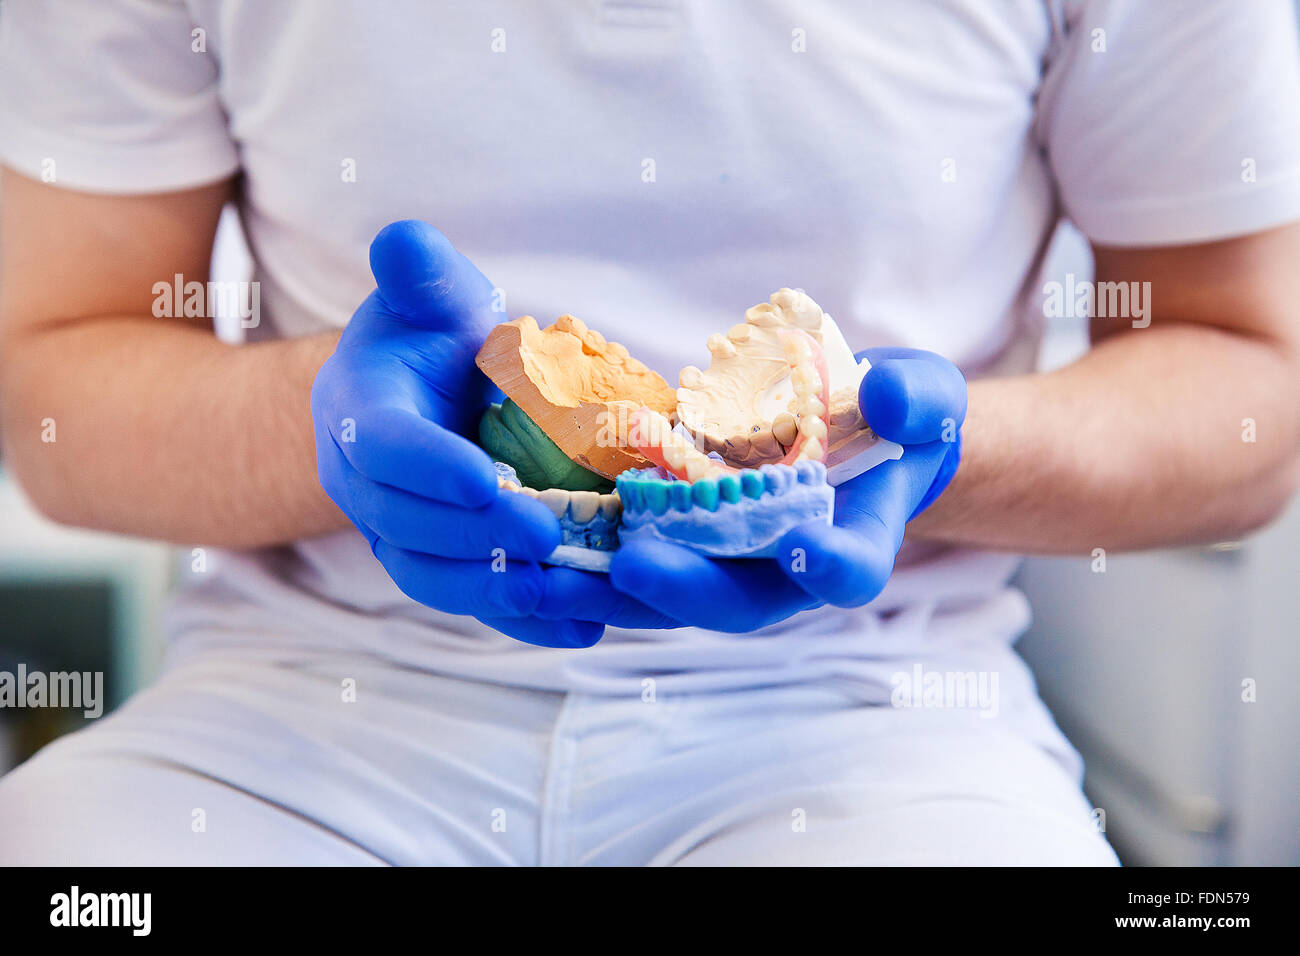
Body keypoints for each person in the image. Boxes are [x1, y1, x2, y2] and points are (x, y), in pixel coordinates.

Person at [0, 0, 1297, 866]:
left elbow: (1254, 389)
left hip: (869, 722)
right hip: (293, 722)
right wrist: (324, 430)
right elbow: (51, 393)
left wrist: (940, 453)